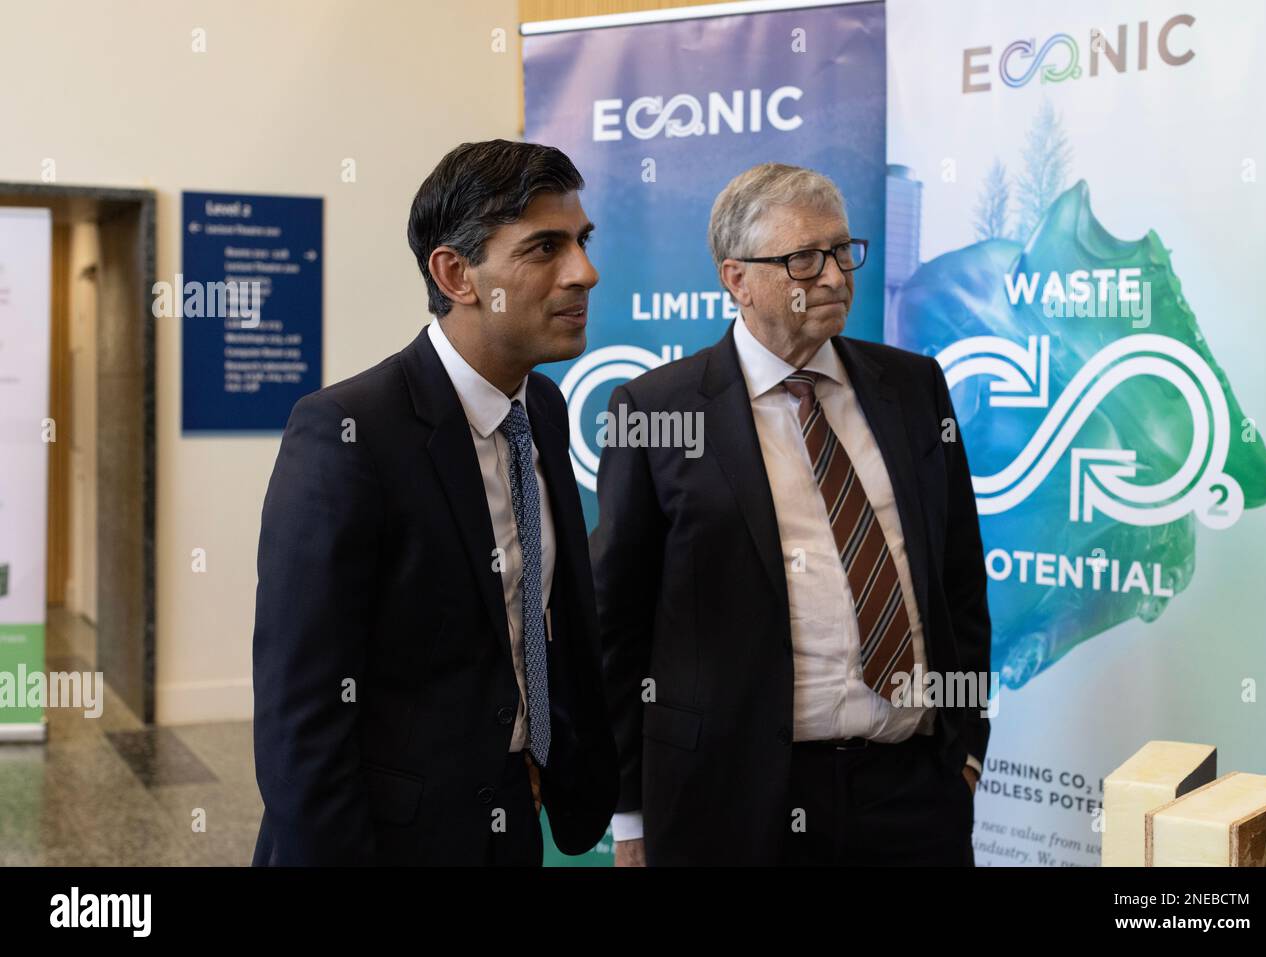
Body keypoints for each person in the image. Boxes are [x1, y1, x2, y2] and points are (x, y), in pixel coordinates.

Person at [592, 163, 992, 866]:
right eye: (803, 259)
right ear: (736, 279)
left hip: (911, 796)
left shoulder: (914, 387)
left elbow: (959, 579)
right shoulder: (657, 412)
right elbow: (617, 627)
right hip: (736, 803)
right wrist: (630, 813)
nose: (835, 276)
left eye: (842, 251)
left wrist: (967, 752)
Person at [252, 139, 617, 865]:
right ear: (457, 274)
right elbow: (304, 715)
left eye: (581, 241)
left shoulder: (540, 406)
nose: (584, 272)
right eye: (545, 248)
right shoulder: (347, 432)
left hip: (512, 823)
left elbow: (536, 622)